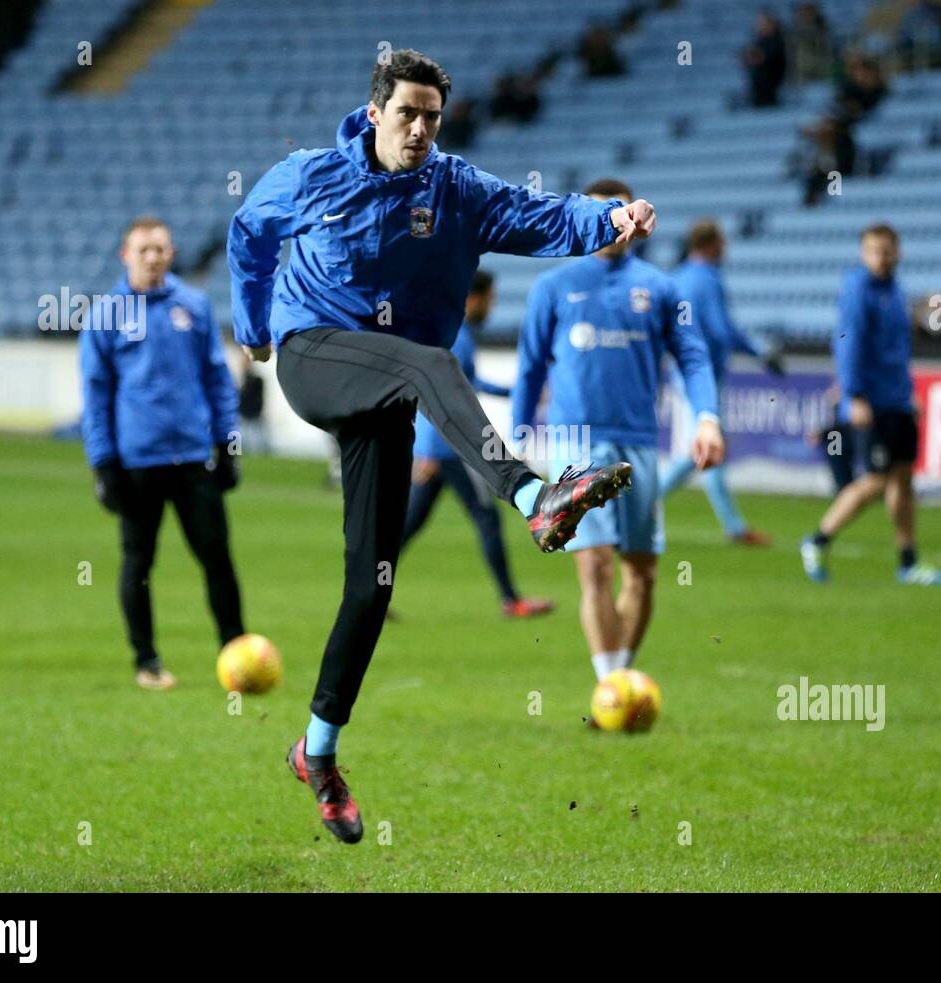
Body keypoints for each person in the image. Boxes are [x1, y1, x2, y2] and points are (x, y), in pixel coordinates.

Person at [227, 50, 654, 844]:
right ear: (375, 110)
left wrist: (611, 217)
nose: (420, 129)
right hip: (316, 355)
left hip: (389, 388)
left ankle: (315, 754)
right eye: (407, 114)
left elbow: (542, 215)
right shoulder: (311, 174)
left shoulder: (456, 188)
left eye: (432, 117)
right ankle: (534, 496)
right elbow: (249, 231)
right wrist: (253, 328)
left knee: (371, 585)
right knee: (431, 363)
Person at [511, 178, 723, 690]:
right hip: (575, 443)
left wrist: (707, 417)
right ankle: (609, 686)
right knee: (596, 567)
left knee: (643, 572)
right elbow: (531, 367)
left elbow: (693, 357)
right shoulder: (553, 286)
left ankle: (621, 681)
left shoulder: (660, 287)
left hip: (639, 440)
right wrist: (518, 440)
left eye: (621, 211)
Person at [80, 216, 246, 690]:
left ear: (171, 254)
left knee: (218, 559)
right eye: (143, 249)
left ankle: (236, 658)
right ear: (125, 255)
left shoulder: (192, 307)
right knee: (138, 563)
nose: (152, 257)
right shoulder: (106, 315)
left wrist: (227, 445)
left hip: (194, 459)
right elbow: (96, 395)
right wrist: (103, 464)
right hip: (137, 465)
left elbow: (217, 380)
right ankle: (146, 661)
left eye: (160, 249)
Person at [799, 224, 941, 586]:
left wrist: (907, 393)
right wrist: (855, 395)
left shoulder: (897, 291)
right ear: (863, 254)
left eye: (887, 250)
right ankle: (817, 540)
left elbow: (896, 351)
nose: (881, 257)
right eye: (874, 251)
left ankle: (908, 561)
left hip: (897, 400)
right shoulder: (858, 291)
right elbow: (847, 344)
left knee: (903, 479)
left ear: (897, 252)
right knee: (877, 480)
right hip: (872, 402)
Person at [400, 270, 555, 619]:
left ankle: (369, 590)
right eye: (490, 299)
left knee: (410, 524)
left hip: (441, 450)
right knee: (487, 519)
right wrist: (426, 449)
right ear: (473, 299)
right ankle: (510, 600)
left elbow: (467, 383)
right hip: (451, 450)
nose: (493, 305)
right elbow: (433, 393)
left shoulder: (455, 332)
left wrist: (513, 392)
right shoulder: (457, 336)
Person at [659, 219, 779, 546]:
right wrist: (760, 351)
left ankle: (734, 526)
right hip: (704, 376)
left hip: (682, 371)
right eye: (722, 242)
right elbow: (721, 328)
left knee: (704, 450)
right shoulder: (708, 279)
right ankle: (640, 502)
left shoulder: (676, 277)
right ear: (711, 244)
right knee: (697, 451)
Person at [741, 12, 788, 108]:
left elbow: (765, 57)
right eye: (759, 24)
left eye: (764, 24)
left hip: (774, 79)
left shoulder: (779, 40)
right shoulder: (759, 41)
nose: (761, 27)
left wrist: (755, 57)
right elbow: (748, 57)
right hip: (760, 83)